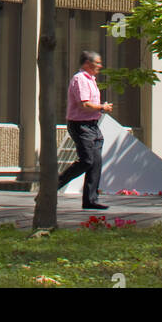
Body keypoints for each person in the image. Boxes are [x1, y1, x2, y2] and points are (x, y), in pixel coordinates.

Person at [56, 50, 113, 210]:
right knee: (87, 160)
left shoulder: (91, 80)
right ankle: (52, 187)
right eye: (97, 63)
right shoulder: (80, 79)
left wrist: (100, 109)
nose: (100, 66)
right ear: (87, 63)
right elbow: (84, 104)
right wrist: (102, 107)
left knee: (95, 163)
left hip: (92, 125)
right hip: (80, 125)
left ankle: (90, 200)